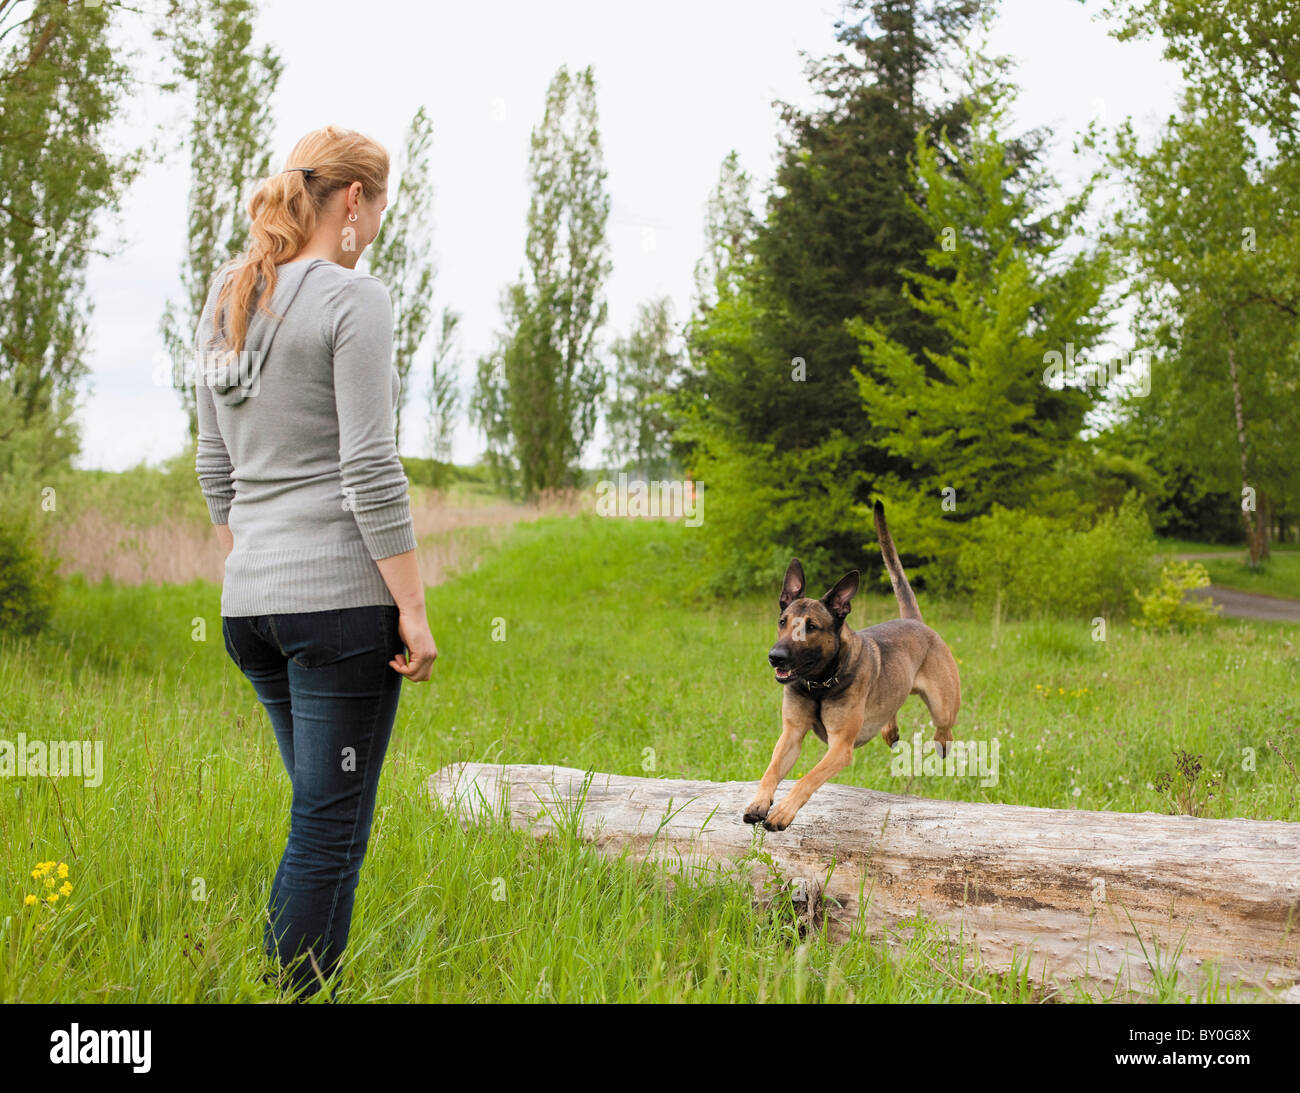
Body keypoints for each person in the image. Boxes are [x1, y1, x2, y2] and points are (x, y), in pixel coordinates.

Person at [193, 124, 438, 1001]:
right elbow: (370, 467)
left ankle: (293, 984)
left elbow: (213, 469)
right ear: (351, 201)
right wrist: (411, 608)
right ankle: (294, 994)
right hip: (339, 609)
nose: (372, 230)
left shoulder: (230, 293)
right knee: (328, 828)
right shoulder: (351, 297)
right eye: (375, 211)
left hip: (248, 608)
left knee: (318, 813)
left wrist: (255, 564)